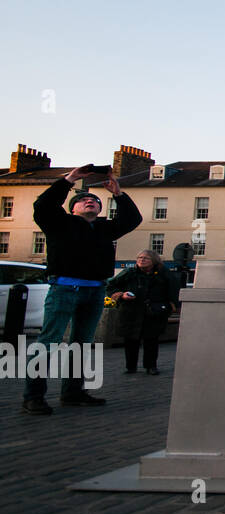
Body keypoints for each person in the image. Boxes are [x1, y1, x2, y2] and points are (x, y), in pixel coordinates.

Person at [22, 165, 142, 415]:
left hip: (95, 290)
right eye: (84, 199)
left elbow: (132, 220)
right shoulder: (59, 223)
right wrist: (70, 179)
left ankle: (73, 392)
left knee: (82, 342)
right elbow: (43, 205)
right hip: (64, 288)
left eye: (95, 201)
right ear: (73, 208)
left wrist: (118, 194)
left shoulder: (104, 228)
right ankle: (33, 396)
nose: (90, 201)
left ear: (100, 209)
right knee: (49, 342)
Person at [107, 251, 178, 375]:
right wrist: (121, 295)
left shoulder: (164, 274)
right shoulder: (129, 273)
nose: (142, 260)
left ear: (154, 260)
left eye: (146, 258)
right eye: (139, 257)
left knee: (151, 340)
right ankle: (131, 367)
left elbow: (173, 290)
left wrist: (170, 306)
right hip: (131, 311)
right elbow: (111, 285)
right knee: (130, 340)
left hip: (153, 312)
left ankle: (151, 366)